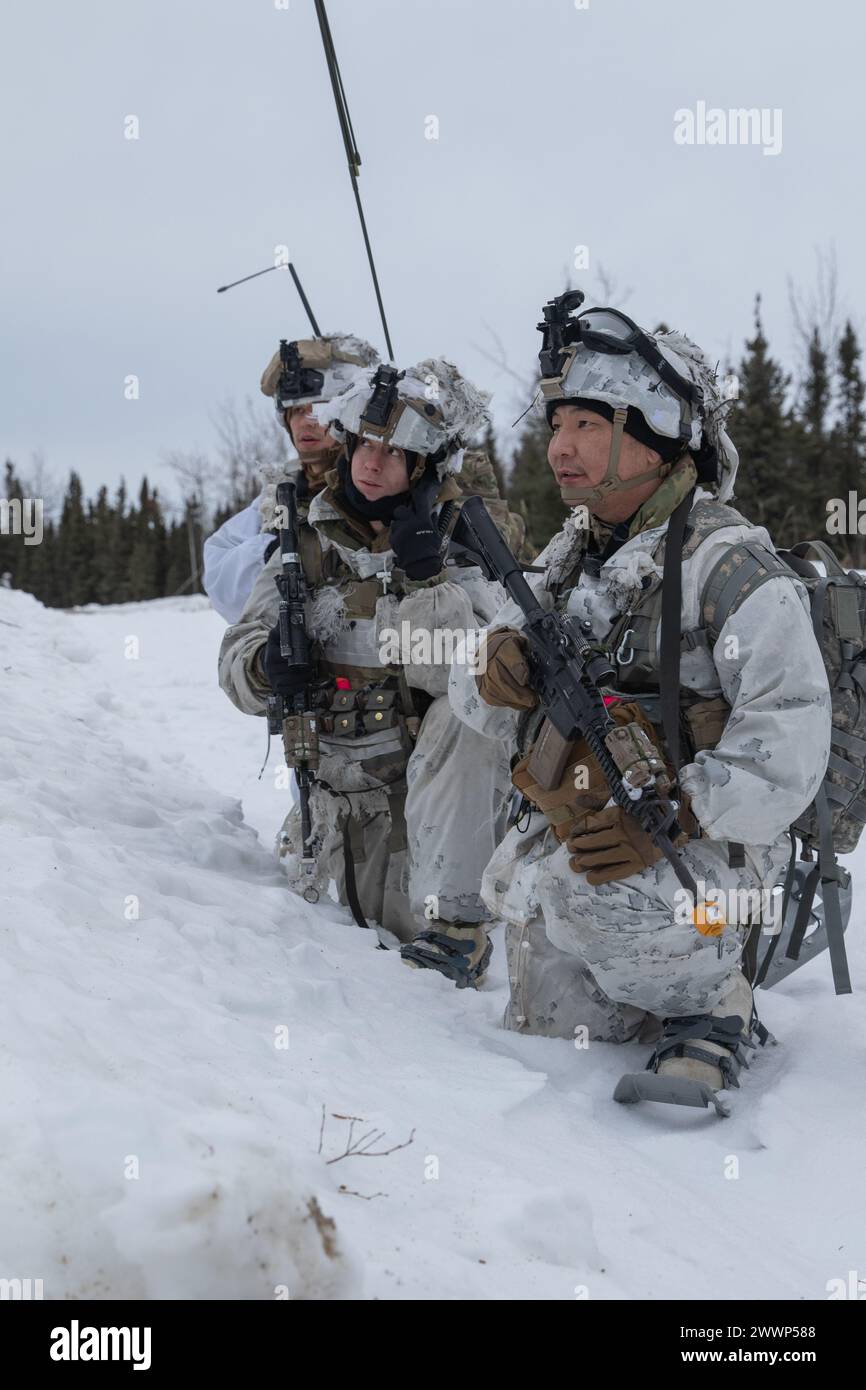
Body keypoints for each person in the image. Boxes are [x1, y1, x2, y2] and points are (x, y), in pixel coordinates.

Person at [448, 293, 831, 1110]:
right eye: (557, 427)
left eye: (588, 425)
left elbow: (791, 740)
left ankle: (716, 1003)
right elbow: (472, 704)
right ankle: (645, 977)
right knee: (552, 1026)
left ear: (653, 432)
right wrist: (491, 672)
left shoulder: (730, 569)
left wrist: (684, 811)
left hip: (711, 850)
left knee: (595, 902)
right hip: (585, 838)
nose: (560, 448)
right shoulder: (566, 558)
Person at [218, 358, 512, 987]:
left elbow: (466, 682)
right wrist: (267, 665)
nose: (373, 464)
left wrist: (427, 580)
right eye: (365, 446)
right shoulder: (307, 540)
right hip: (327, 811)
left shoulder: (460, 544)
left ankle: (460, 930)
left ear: (422, 468)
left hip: (422, 813)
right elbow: (235, 659)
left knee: (414, 989)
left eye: (394, 452)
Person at [203, 334, 379, 623]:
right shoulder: (279, 493)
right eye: (297, 410)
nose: (306, 422)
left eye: (318, 409)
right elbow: (220, 579)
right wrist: (275, 552)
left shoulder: (379, 482)